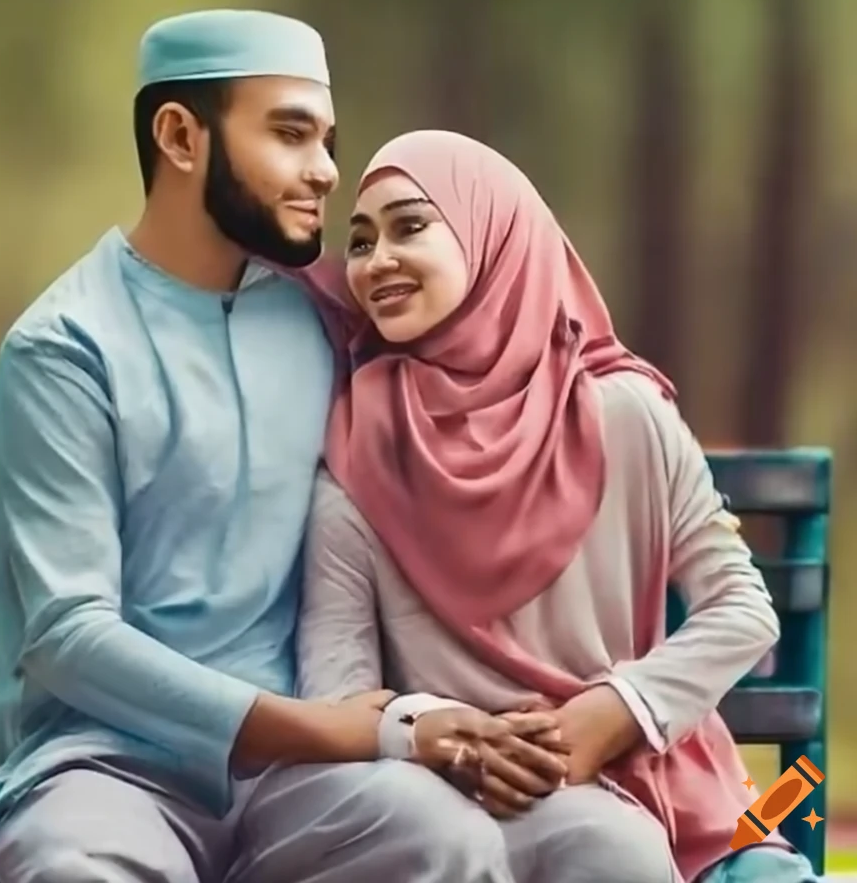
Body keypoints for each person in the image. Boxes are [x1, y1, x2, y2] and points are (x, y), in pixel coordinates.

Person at [0, 15, 541, 883]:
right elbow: (67, 633)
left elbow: (482, 380)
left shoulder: (321, 319)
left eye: (328, 140)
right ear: (180, 136)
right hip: (98, 773)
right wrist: (330, 728)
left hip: (293, 787)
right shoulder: (63, 349)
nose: (326, 171)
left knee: (441, 839)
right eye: (289, 133)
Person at [295, 129, 821, 883]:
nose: (377, 261)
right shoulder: (355, 453)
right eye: (362, 240)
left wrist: (615, 711)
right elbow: (339, 696)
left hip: (678, 794)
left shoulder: (625, 414)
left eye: (410, 225)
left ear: (494, 237)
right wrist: (450, 741)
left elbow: (741, 607)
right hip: (479, 806)